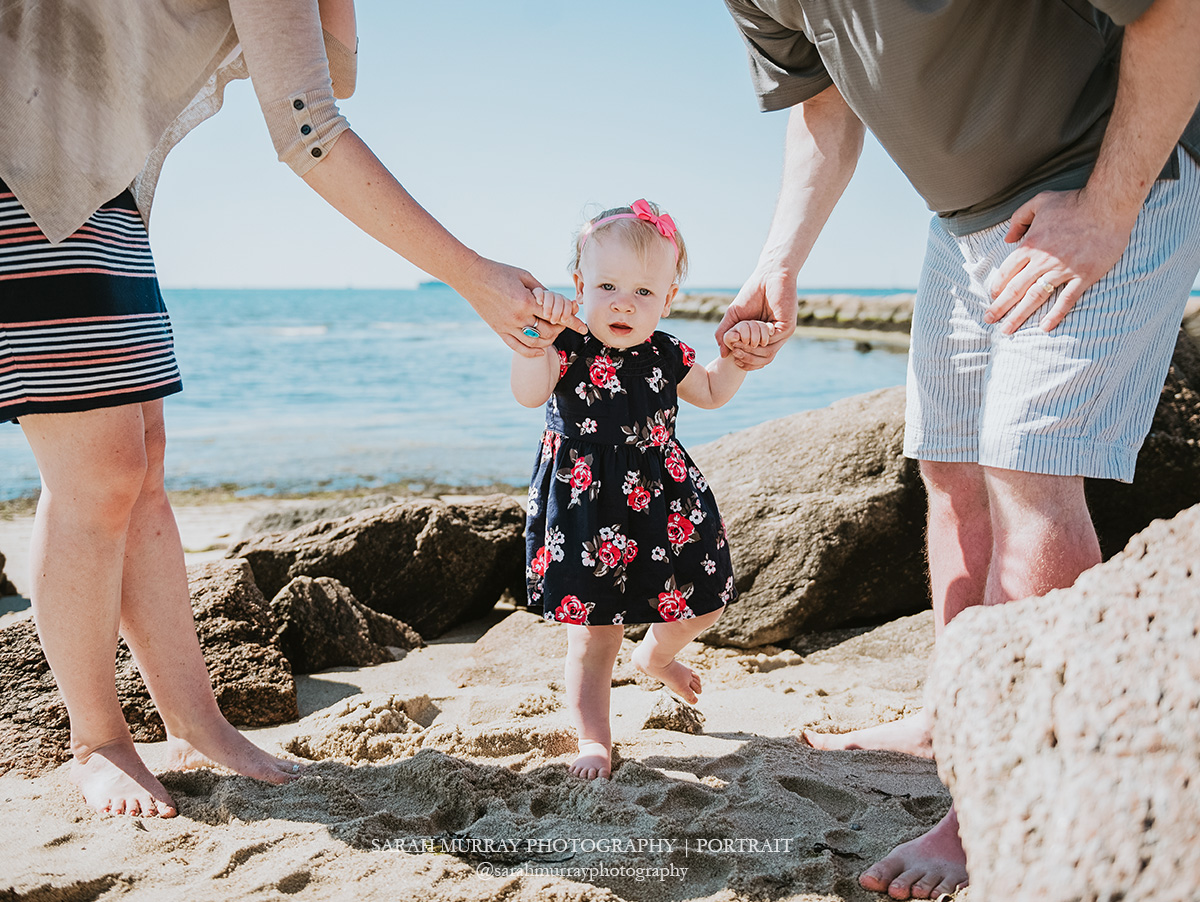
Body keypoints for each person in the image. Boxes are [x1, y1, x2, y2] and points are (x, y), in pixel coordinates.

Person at [0, 0, 584, 819]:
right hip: (21, 169)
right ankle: (96, 741)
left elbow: (328, 71)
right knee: (98, 472)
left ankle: (195, 721)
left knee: (142, 466)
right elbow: (310, 129)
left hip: (96, 183)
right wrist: (473, 275)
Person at [715, 0, 1200, 897]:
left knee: (1028, 470)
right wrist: (781, 261)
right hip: (961, 222)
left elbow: (1176, 13)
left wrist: (1104, 209)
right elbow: (824, 100)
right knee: (951, 468)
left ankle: (996, 798)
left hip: (1111, 178)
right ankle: (956, 713)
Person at [511, 200, 779, 780]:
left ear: (669, 298)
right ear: (579, 285)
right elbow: (530, 395)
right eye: (606, 285)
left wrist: (736, 359)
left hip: (664, 497)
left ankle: (655, 656)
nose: (623, 303)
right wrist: (531, 345)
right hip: (586, 506)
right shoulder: (566, 346)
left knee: (704, 598)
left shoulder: (668, 352)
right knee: (594, 633)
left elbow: (710, 392)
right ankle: (594, 738)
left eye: (643, 292)